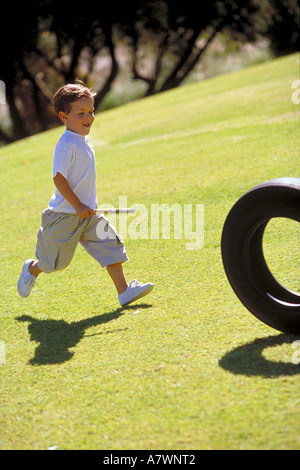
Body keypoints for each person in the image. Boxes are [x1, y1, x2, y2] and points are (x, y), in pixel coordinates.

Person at [17, 81, 153, 307]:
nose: (89, 116)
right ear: (64, 116)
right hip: (65, 216)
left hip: (90, 213)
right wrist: (78, 205)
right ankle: (32, 268)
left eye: (91, 111)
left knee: (110, 244)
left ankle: (124, 291)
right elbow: (58, 179)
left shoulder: (83, 139)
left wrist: (85, 206)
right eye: (81, 113)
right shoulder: (66, 145)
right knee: (55, 263)